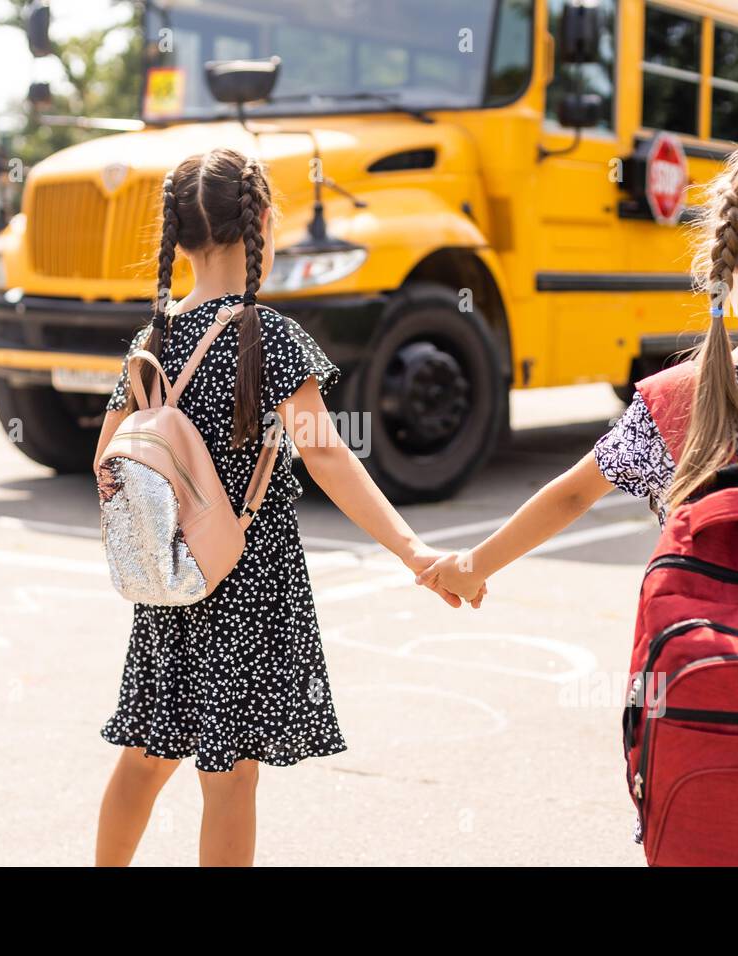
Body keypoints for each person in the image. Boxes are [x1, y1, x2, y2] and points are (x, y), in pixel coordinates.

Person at [90, 148, 476, 867]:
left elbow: (107, 462)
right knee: (230, 776)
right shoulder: (265, 338)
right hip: (246, 582)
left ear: (177, 231)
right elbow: (327, 455)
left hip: (170, 579)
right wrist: (412, 551)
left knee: (145, 753)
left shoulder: (154, 340)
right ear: (264, 220)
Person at [418, 143, 738, 671]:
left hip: (694, 695)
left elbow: (571, 496)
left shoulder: (672, 398)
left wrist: (471, 564)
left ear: (723, 262)